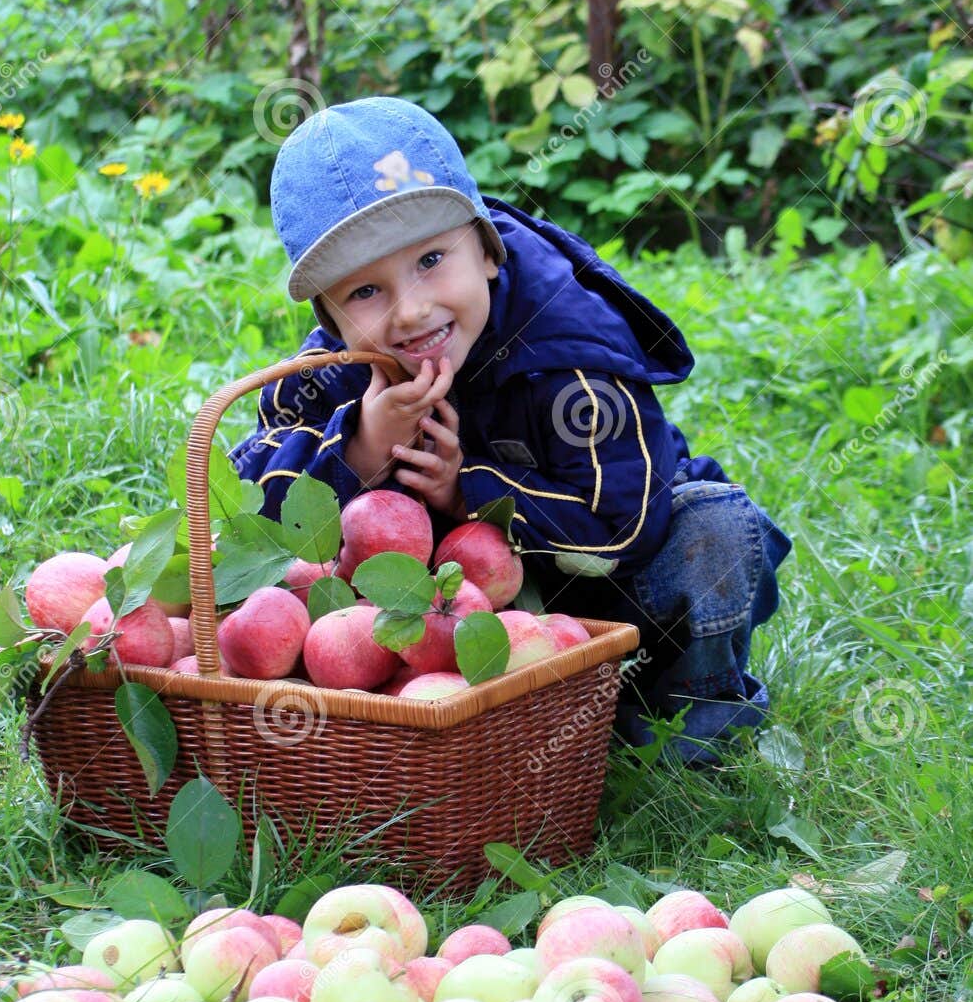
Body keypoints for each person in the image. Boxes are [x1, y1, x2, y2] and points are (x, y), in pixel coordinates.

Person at [229, 96, 792, 764]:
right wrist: (361, 447)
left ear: (488, 249)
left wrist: (470, 493)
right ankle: (450, 738)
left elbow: (624, 520)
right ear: (328, 315)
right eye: (364, 292)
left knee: (718, 531)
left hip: (607, 588)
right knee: (292, 576)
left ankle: (674, 729)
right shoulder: (339, 370)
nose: (411, 310)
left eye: (432, 260)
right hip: (443, 619)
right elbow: (243, 508)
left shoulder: (569, 354)